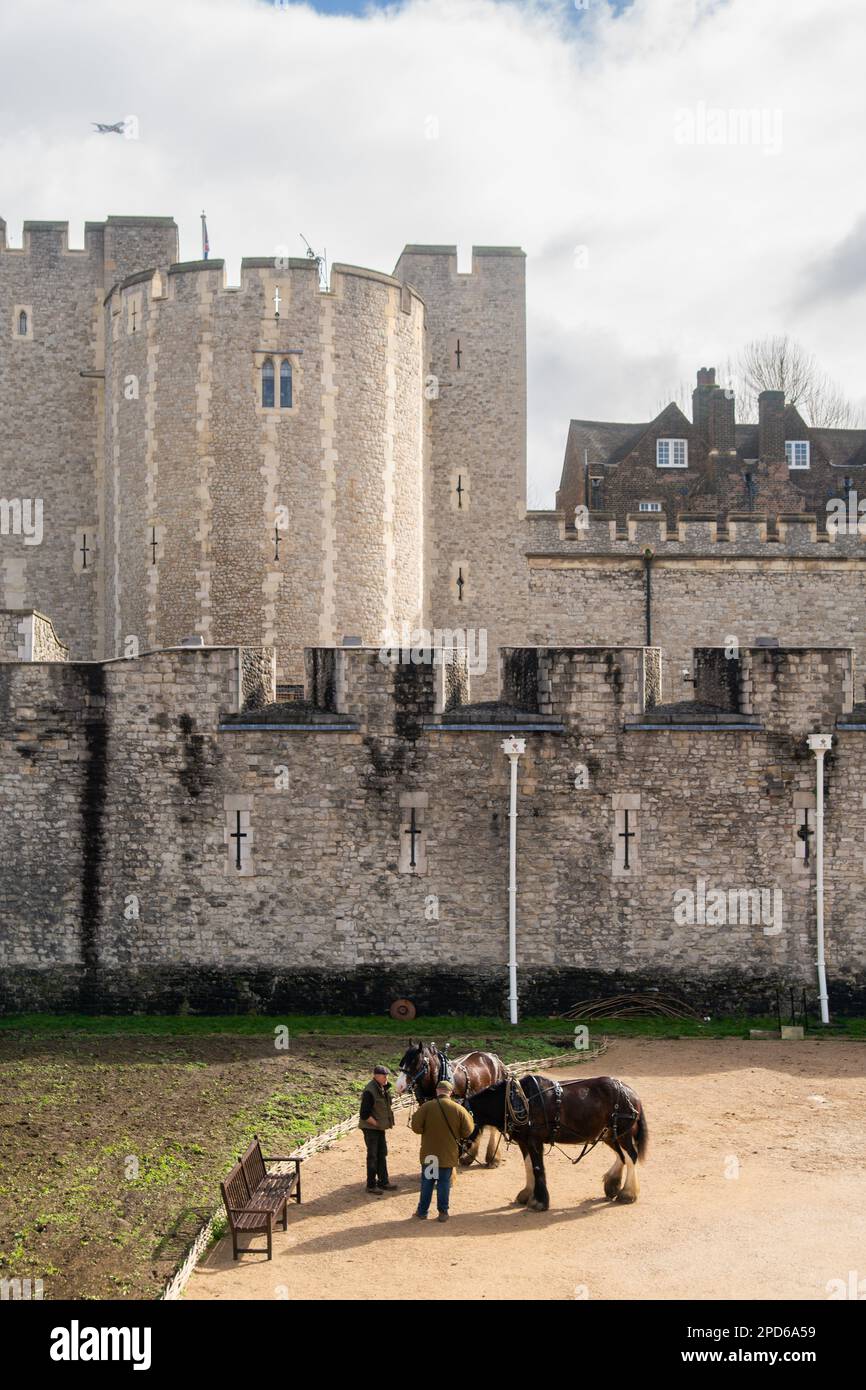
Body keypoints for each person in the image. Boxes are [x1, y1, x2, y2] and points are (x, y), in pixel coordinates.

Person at [410, 1078, 474, 1222]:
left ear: (437, 1091)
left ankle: (422, 1212)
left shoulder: (426, 1107)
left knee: (427, 1182)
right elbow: (468, 1131)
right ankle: (443, 1213)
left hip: (429, 1154)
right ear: (450, 1093)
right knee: (444, 1183)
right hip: (448, 1154)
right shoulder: (458, 1109)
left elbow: (416, 1127)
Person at [358, 1065, 398, 1194]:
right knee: (373, 1156)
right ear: (376, 1075)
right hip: (371, 1128)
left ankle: (383, 1181)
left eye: (387, 1075)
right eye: (384, 1075)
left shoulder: (383, 1088)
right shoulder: (370, 1090)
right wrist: (376, 1124)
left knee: (382, 1154)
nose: (386, 1078)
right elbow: (364, 1114)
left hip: (378, 1128)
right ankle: (371, 1185)